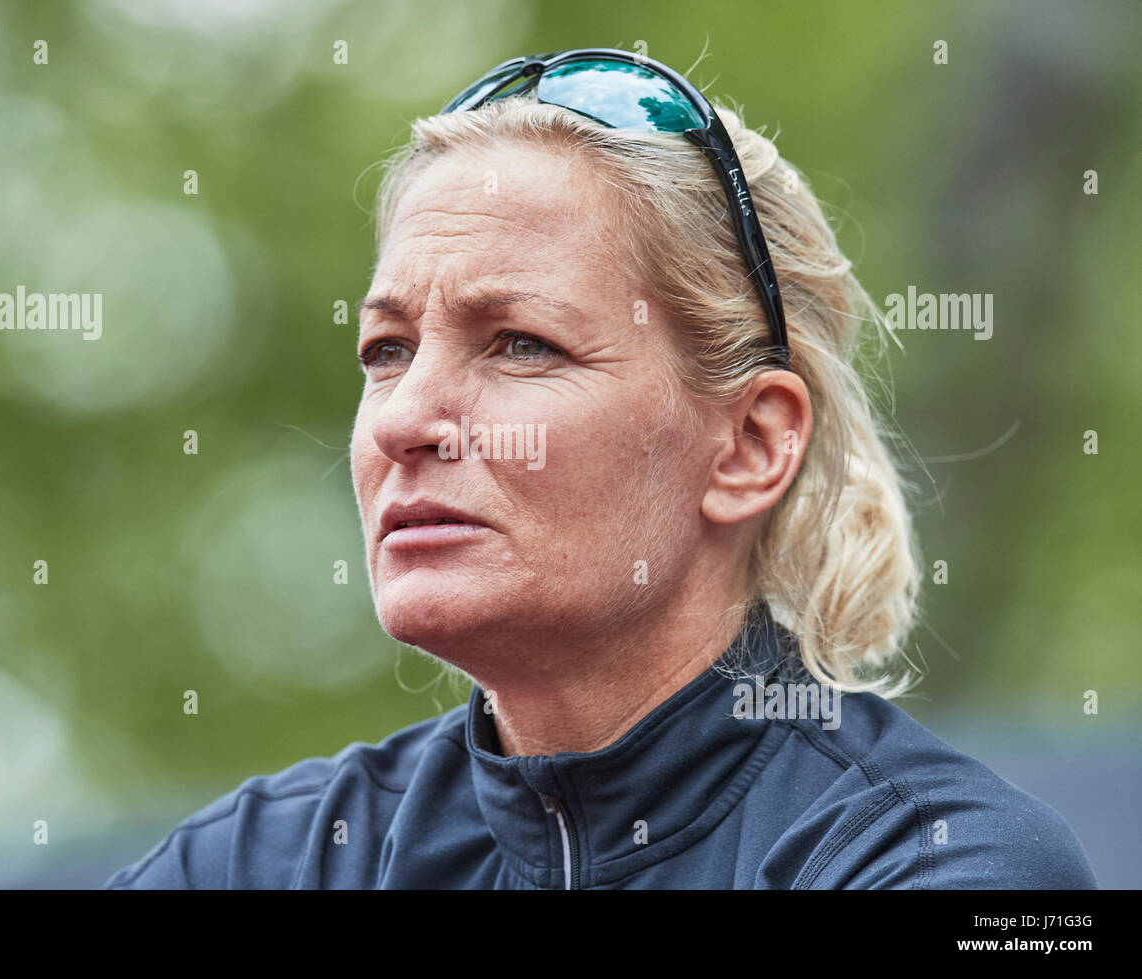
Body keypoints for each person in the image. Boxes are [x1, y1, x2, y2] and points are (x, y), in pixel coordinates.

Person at [106, 49, 1096, 889]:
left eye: (520, 344)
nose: (405, 418)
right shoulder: (268, 859)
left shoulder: (940, 861)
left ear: (749, 445)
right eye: (388, 348)